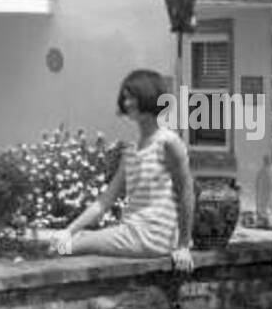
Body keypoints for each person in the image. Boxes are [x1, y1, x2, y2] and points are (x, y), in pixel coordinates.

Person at [51, 68, 195, 271]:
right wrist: (68, 230)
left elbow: (186, 193)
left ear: (149, 96)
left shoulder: (168, 142)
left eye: (133, 97)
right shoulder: (131, 151)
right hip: (133, 231)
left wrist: (183, 245)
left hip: (153, 236)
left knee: (69, 247)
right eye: (125, 98)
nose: (127, 103)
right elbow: (104, 202)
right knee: (70, 240)